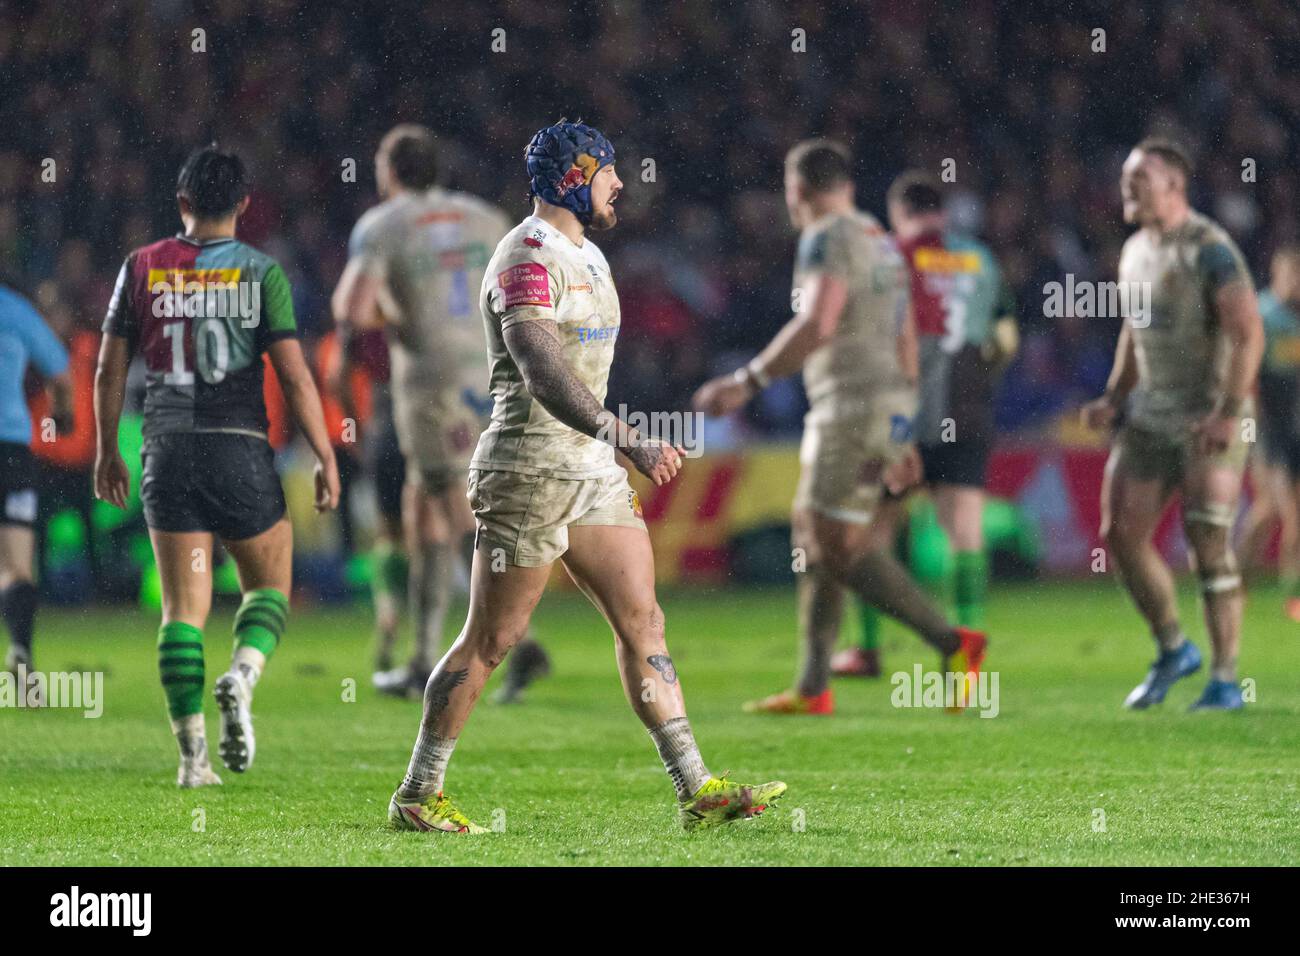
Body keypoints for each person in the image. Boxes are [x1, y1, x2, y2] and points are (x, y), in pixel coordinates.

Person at [387, 120, 785, 833]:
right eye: (607, 171)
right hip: (527, 470)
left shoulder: (591, 257)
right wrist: (627, 435)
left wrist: (610, 447)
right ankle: (418, 792)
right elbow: (541, 370)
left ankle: (696, 787)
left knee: (644, 621)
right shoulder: (524, 256)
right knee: (493, 638)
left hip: (590, 472)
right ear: (574, 177)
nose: (620, 183)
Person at [693, 139, 987, 716]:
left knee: (832, 542)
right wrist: (903, 423)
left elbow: (818, 322)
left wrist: (747, 380)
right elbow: (906, 335)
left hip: (850, 409)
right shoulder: (879, 239)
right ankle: (812, 686)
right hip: (883, 405)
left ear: (796, 190)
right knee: (820, 537)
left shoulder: (825, 238)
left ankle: (952, 643)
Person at [94, 145, 340, 786]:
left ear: (181, 203)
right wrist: (324, 454)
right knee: (268, 586)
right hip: (238, 447)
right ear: (243, 207)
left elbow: (108, 368)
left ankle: (192, 759)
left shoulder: (140, 266)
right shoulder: (262, 272)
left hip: (166, 449)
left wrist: (104, 450)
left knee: (182, 609)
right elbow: (293, 375)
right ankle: (244, 674)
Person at [333, 124, 551, 702]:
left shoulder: (382, 226)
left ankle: (520, 641)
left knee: (453, 508)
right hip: (496, 370)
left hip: (431, 381)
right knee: (423, 510)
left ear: (389, 173)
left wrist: (387, 326)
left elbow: (351, 309)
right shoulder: (485, 217)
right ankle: (424, 659)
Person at [1080, 138, 1264, 711]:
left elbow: (1247, 331)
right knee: (1119, 534)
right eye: (1125, 178)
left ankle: (1226, 678)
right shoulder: (1134, 249)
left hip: (1209, 416)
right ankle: (1173, 647)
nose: (1127, 188)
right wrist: (1115, 396)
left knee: (1208, 541)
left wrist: (1228, 411)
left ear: (1174, 187)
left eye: (1140, 179)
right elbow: (1133, 331)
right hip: (1150, 415)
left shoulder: (1209, 249)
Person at [832, 171, 1017, 678]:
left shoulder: (887, 255)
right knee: (965, 530)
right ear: (944, 212)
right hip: (966, 404)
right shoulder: (980, 259)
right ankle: (970, 647)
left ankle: (867, 650)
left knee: (868, 533)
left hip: (899, 409)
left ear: (899, 212)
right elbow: (1006, 337)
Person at [0, 280, 71, 696]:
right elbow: (60, 372)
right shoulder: (14, 309)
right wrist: (61, 419)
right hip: (12, 451)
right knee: (16, 565)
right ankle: (22, 652)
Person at [1238, 246, 1300, 618]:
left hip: (1293, 430)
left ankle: (1234, 579)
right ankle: (1294, 595)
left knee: (1266, 512)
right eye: (1291, 274)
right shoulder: (1261, 315)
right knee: (1291, 512)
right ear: (1277, 274)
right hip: (1265, 429)